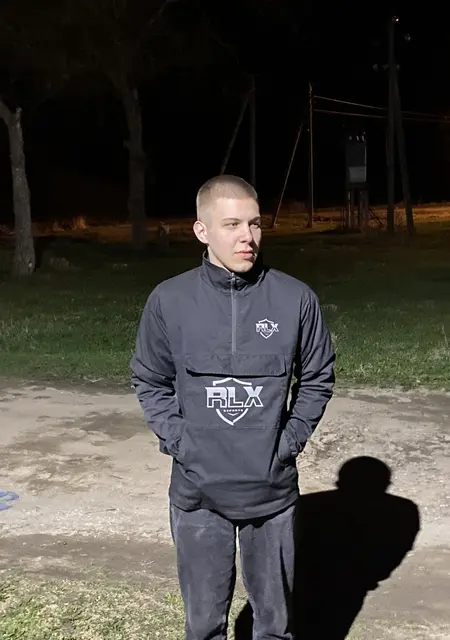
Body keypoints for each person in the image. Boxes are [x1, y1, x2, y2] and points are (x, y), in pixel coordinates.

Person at [130, 174, 336, 640]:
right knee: (204, 626)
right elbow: (150, 379)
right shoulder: (169, 300)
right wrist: (183, 444)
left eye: (255, 223)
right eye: (232, 225)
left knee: (275, 627)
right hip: (198, 495)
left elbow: (317, 377)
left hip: (271, 493)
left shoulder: (295, 299)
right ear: (202, 231)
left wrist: (287, 444)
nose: (248, 237)